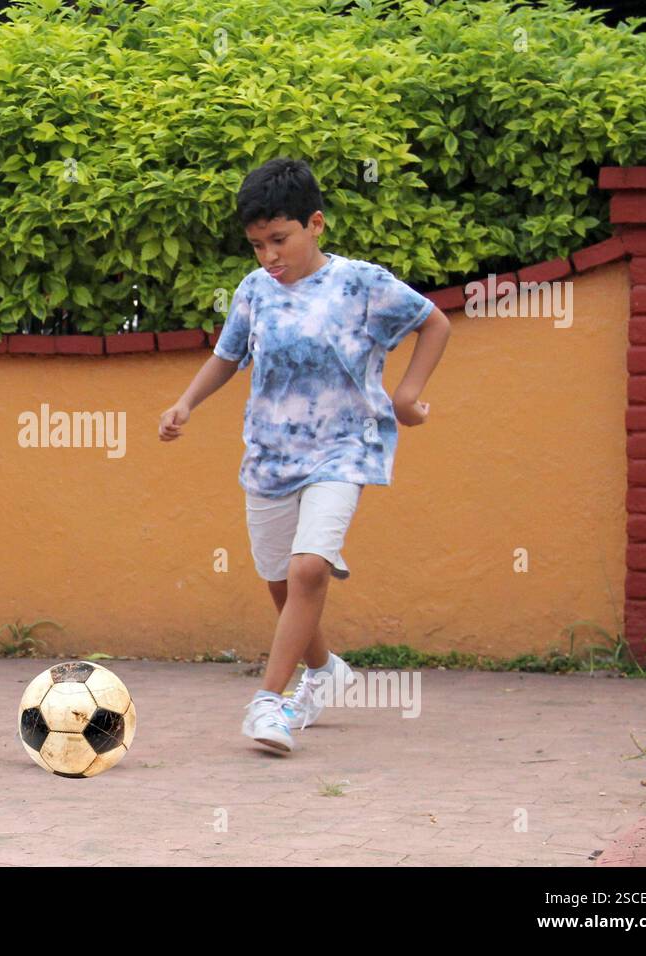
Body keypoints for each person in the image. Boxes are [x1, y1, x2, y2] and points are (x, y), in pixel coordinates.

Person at [159, 158, 451, 753]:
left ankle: (269, 704)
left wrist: (407, 396)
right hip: (269, 455)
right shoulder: (254, 291)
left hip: (345, 448)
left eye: (280, 239)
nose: (270, 255)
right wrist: (186, 403)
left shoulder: (361, 282)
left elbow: (435, 323)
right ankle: (326, 671)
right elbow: (227, 356)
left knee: (309, 568)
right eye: (258, 244)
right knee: (282, 587)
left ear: (315, 224)